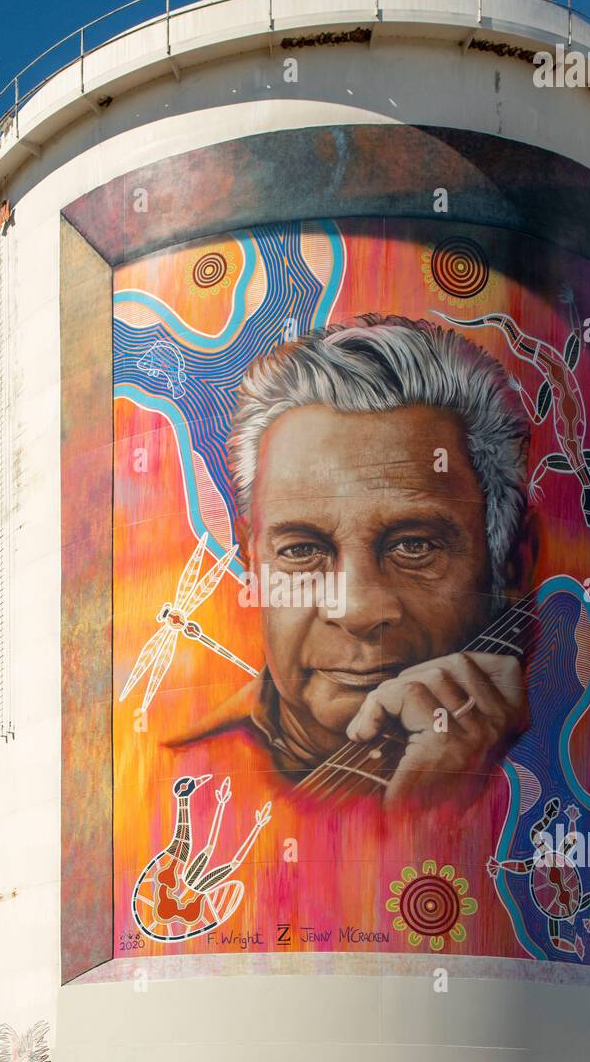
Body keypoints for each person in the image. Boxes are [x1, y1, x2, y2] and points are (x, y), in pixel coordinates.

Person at [169, 314, 535, 807]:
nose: (357, 609)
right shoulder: (171, 780)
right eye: (301, 550)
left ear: (508, 565)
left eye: (414, 546)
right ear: (253, 569)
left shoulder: (558, 743)